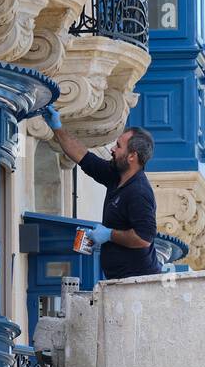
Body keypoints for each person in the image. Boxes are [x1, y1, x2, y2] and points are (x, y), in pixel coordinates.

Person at [41, 107, 161, 280]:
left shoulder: (139, 192)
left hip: (137, 283)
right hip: (118, 279)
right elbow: (83, 156)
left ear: (132, 156)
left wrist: (109, 234)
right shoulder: (115, 174)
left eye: (119, 146)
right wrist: (57, 127)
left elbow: (143, 238)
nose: (112, 148)